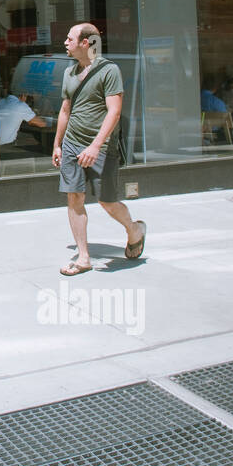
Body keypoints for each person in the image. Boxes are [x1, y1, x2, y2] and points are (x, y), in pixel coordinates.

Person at [53, 23, 146, 276]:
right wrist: (57, 144)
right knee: (74, 197)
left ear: (86, 43)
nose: (65, 42)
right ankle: (83, 258)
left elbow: (114, 112)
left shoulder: (109, 70)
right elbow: (65, 110)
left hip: (101, 147)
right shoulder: (70, 73)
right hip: (72, 144)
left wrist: (95, 146)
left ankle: (134, 230)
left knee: (107, 201)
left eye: (70, 38)